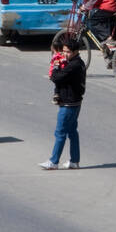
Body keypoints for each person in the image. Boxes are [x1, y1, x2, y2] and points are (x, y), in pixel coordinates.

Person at [40, 31, 86, 170]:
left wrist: (55, 67)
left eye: (68, 52)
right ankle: (74, 161)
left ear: (75, 51)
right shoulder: (76, 62)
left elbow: (56, 78)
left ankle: (54, 161)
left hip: (69, 103)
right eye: (64, 51)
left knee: (60, 132)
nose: (65, 54)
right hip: (74, 101)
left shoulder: (74, 65)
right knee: (72, 131)